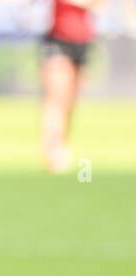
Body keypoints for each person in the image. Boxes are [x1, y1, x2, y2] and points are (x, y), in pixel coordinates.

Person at [39, 1, 101, 173]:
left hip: (83, 40)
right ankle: (51, 148)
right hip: (59, 39)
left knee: (71, 101)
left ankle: (63, 143)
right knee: (56, 97)